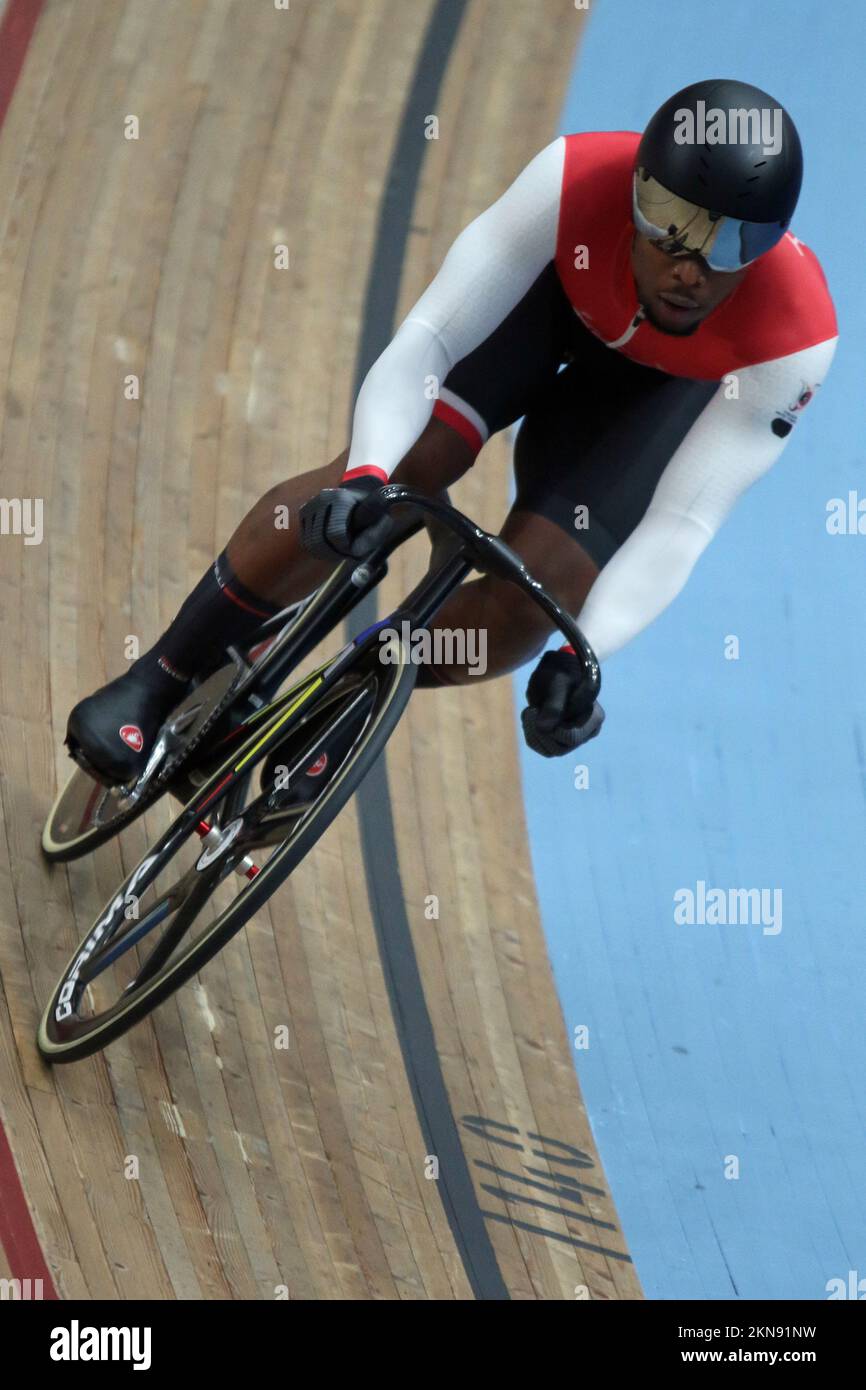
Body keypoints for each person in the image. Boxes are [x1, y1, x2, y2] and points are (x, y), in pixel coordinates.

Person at [66, 77, 837, 780]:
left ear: (771, 246)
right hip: (545, 316)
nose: (691, 266)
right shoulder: (572, 180)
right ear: (636, 191)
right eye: (669, 223)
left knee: (538, 600)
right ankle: (157, 675)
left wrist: (584, 651)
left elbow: (683, 522)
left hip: (645, 404)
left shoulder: (794, 336)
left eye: (733, 242)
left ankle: (353, 692)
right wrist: (367, 476)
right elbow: (430, 338)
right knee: (403, 469)